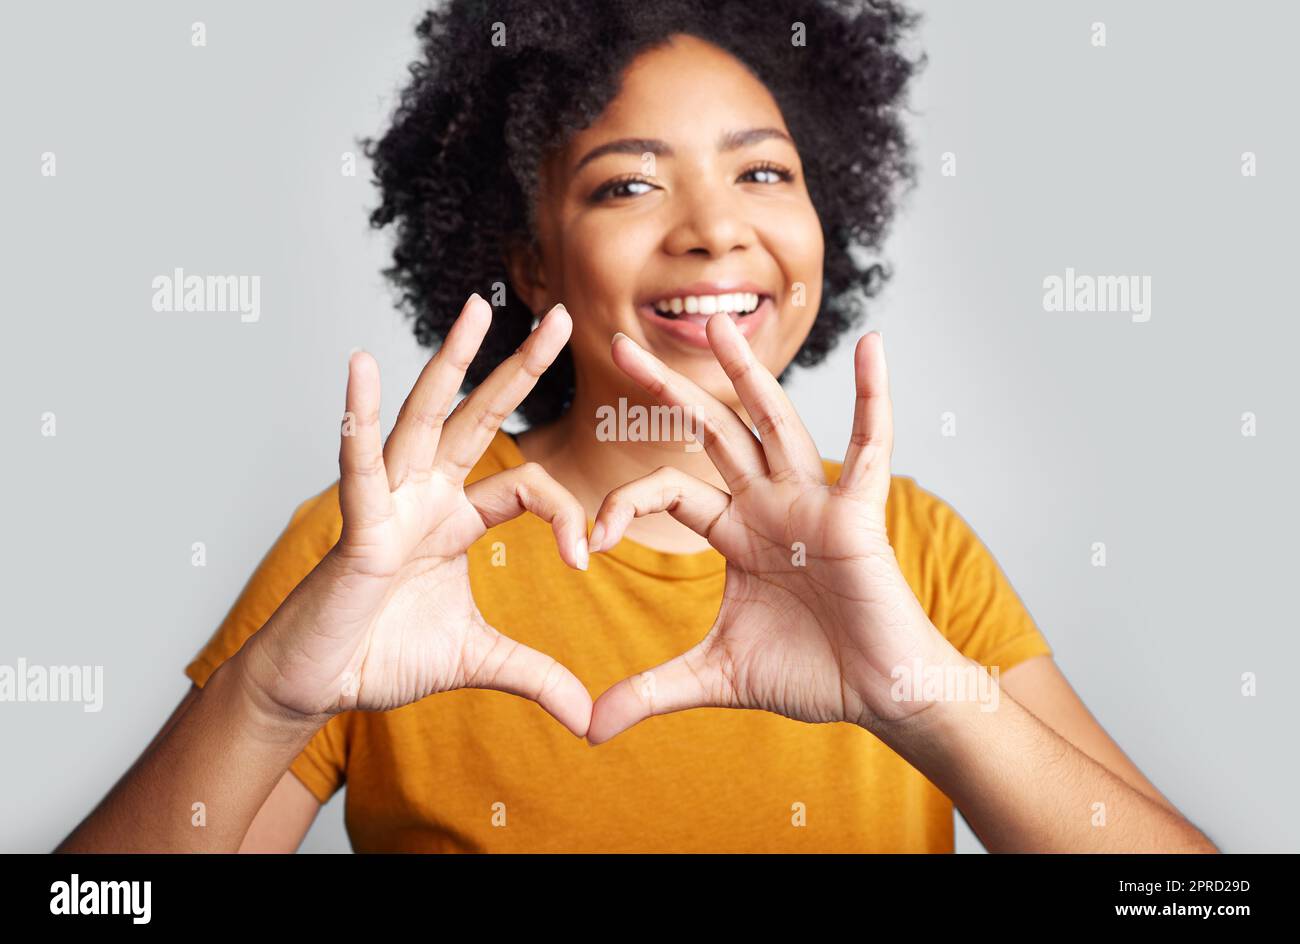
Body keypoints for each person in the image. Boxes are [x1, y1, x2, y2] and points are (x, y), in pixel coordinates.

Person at [58, 0, 1217, 853]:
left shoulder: (911, 552)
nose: (715, 230)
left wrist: (929, 702)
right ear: (530, 261)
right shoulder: (380, 549)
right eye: (626, 185)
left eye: (763, 174)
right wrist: (266, 703)